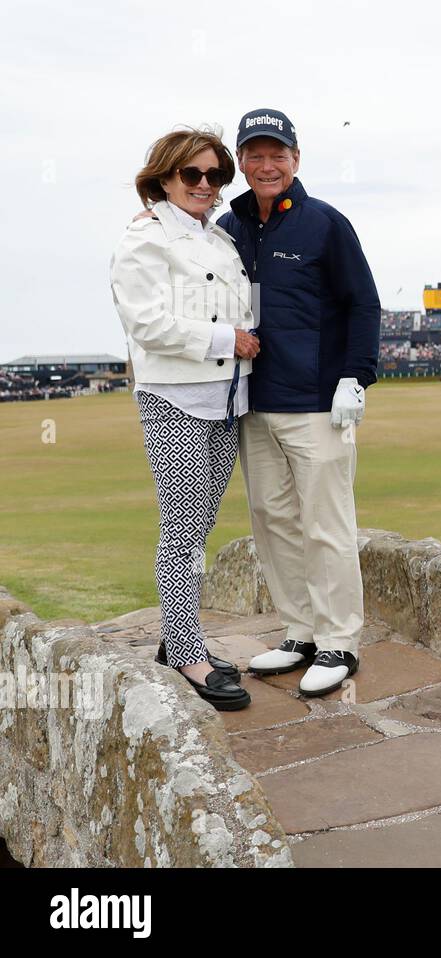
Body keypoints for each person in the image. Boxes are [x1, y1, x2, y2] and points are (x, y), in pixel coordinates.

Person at [221, 109, 381, 697]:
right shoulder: (228, 227)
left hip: (318, 402)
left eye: (277, 154)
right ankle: (300, 631)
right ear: (242, 161)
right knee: (274, 523)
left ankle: (340, 641)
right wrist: (153, 216)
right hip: (255, 403)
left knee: (327, 525)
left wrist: (355, 378)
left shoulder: (325, 224)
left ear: (296, 159)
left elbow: (364, 305)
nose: (267, 165)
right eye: (255, 155)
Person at [110, 126, 259, 711]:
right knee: (182, 531)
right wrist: (229, 338)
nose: (204, 184)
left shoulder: (219, 241)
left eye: (215, 175)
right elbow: (145, 325)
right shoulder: (145, 240)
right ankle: (187, 653)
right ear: (164, 178)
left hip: (227, 397)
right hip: (175, 397)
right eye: (191, 174)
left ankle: (181, 640)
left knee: (199, 529)